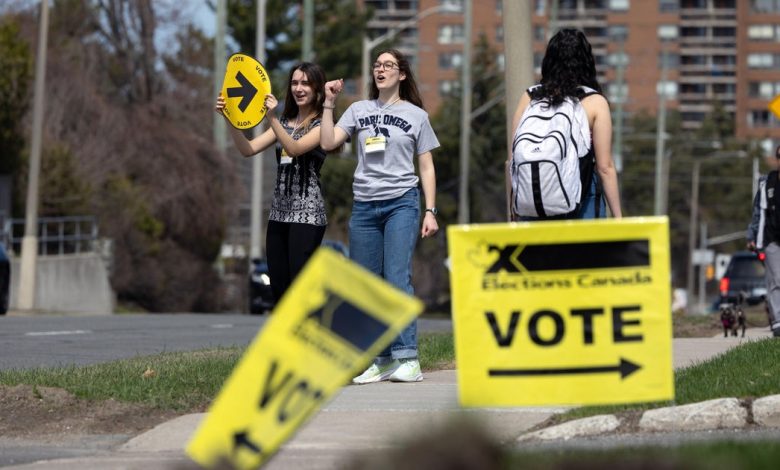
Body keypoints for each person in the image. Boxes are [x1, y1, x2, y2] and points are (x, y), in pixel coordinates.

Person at [320, 49, 440, 384]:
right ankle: (379, 358)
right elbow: (329, 142)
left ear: (402, 74)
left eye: (388, 65)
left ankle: (408, 358)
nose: (380, 70)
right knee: (366, 286)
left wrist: (430, 210)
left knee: (396, 278)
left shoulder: (416, 115)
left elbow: (427, 165)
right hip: (365, 206)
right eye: (377, 65)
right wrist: (329, 103)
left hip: (402, 202)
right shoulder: (359, 110)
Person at [215, 62, 328, 305]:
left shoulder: (322, 125)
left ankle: (306, 338)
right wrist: (229, 117)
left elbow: (294, 148)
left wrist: (272, 118)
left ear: (317, 89)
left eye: (305, 83)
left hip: (307, 216)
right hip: (279, 214)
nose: (299, 88)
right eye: (295, 82)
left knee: (300, 285)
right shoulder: (284, 122)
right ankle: (283, 341)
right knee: (279, 286)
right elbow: (248, 148)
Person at [507, 28, 622, 220]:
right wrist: (618, 218)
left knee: (541, 251)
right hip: (582, 202)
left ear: (549, 61)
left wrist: (514, 209)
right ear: (587, 62)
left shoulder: (529, 98)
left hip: (533, 200)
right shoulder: (594, 102)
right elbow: (605, 167)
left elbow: (513, 161)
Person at [747, 144, 780, 337]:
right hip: (772, 239)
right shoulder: (767, 183)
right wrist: (752, 236)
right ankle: (777, 322)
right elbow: (758, 212)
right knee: (777, 279)